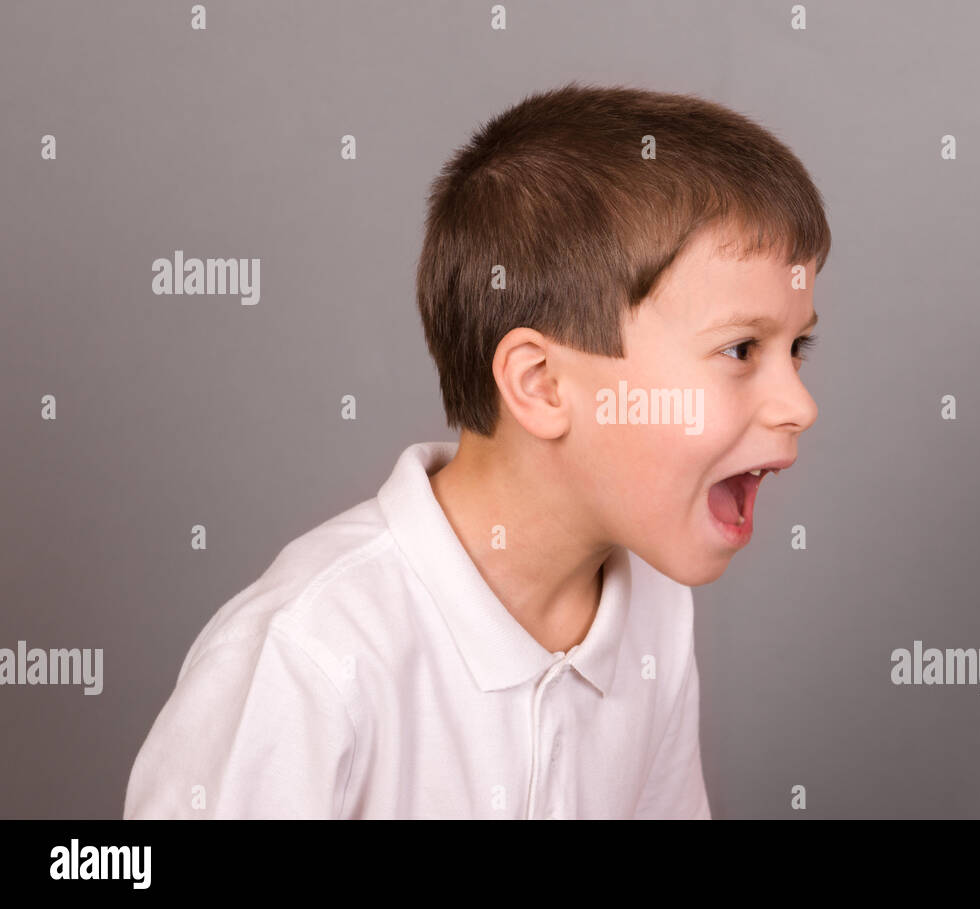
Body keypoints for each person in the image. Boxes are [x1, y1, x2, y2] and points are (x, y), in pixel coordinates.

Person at [123, 81, 830, 819]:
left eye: (798, 345)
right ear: (543, 384)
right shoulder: (309, 655)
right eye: (742, 348)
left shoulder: (653, 607)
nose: (801, 404)